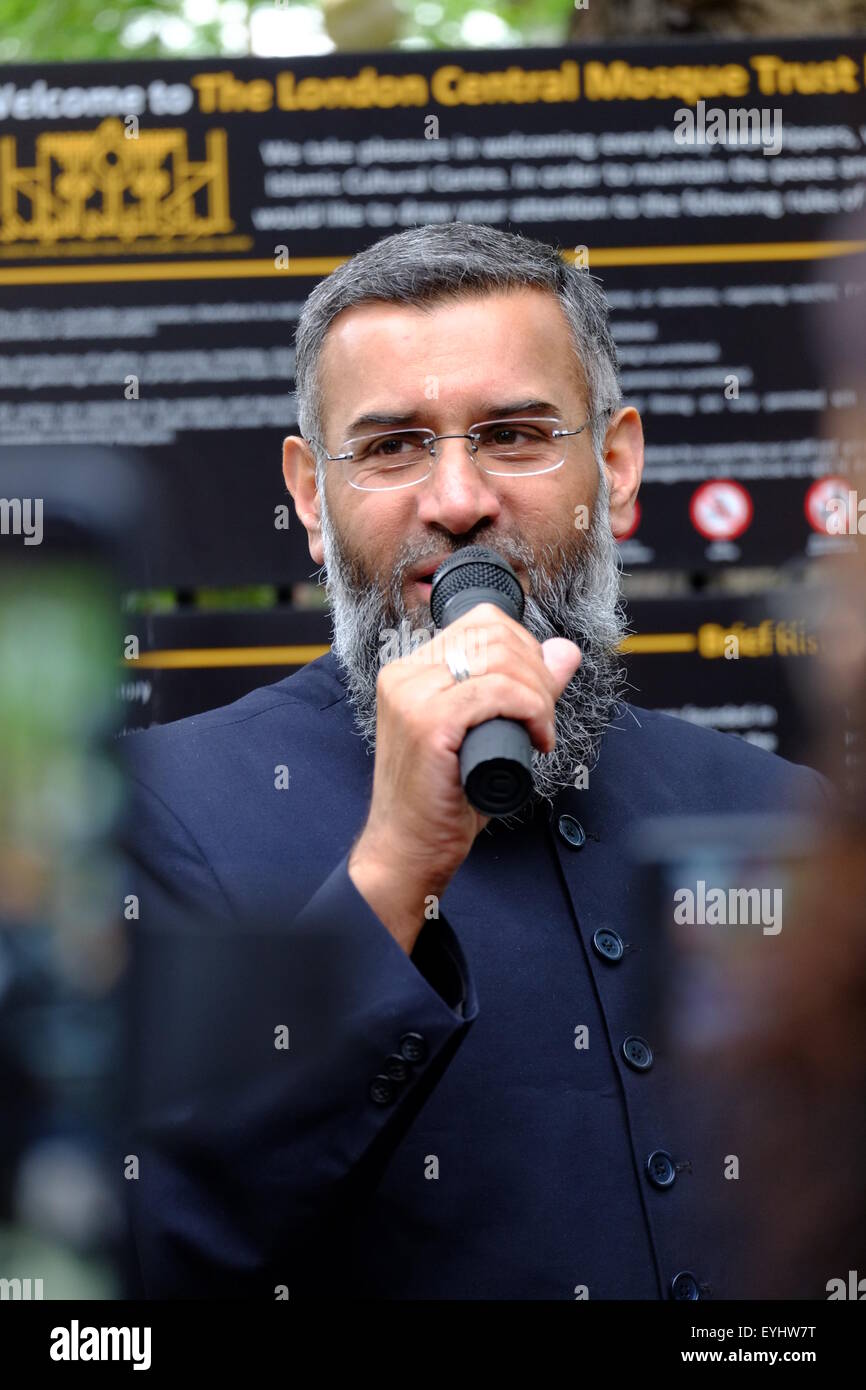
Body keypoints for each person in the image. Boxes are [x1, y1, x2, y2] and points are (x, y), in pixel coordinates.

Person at [122, 223, 831, 1300]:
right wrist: (391, 871)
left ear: (618, 466)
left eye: (511, 434)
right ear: (312, 498)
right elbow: (136, 1254)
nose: (455, 500)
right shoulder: (155, 812)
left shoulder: (785, 816)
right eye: (393, 445)